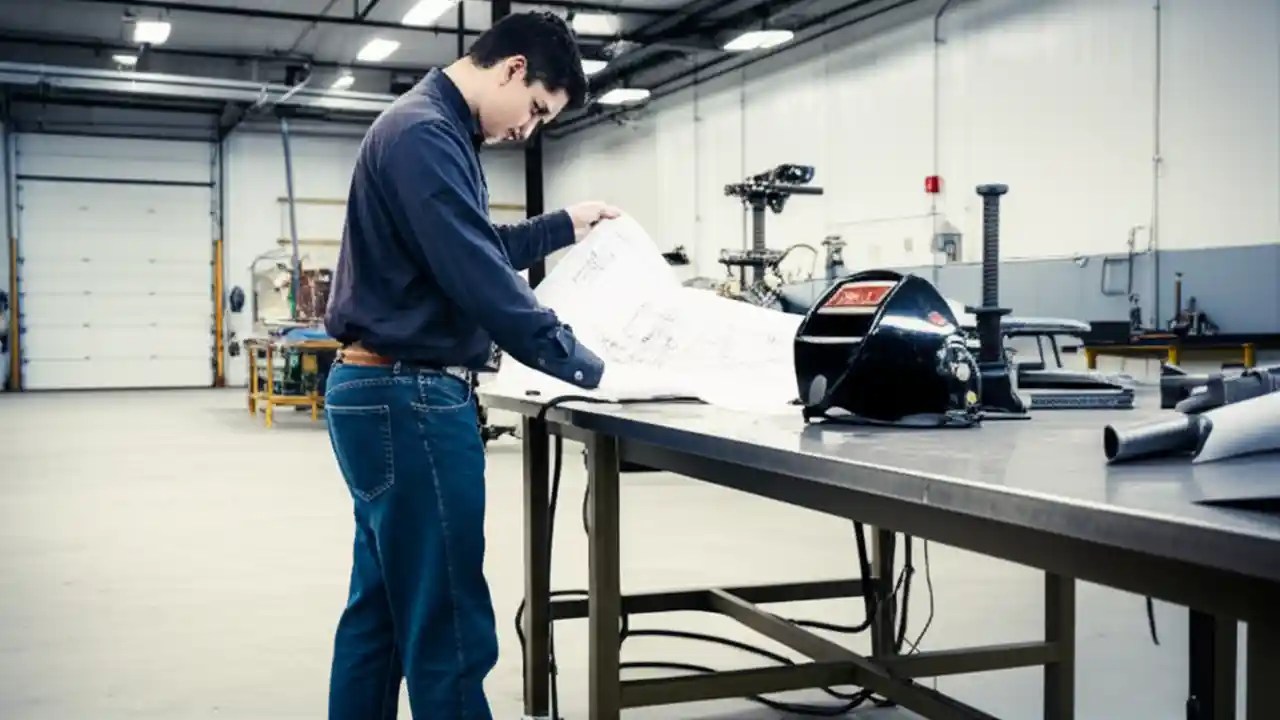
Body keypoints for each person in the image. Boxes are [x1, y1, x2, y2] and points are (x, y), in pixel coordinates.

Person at [321, 11, 616, 719]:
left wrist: (562, 226)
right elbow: (479, 276)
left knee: (382, 615)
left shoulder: (428, 129)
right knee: (449, 625)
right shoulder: (424, 133)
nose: (528, 130)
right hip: (410, 401)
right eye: (536, 109)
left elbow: (469, 242)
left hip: (380, 392)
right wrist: (592, 368)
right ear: (513, 69)